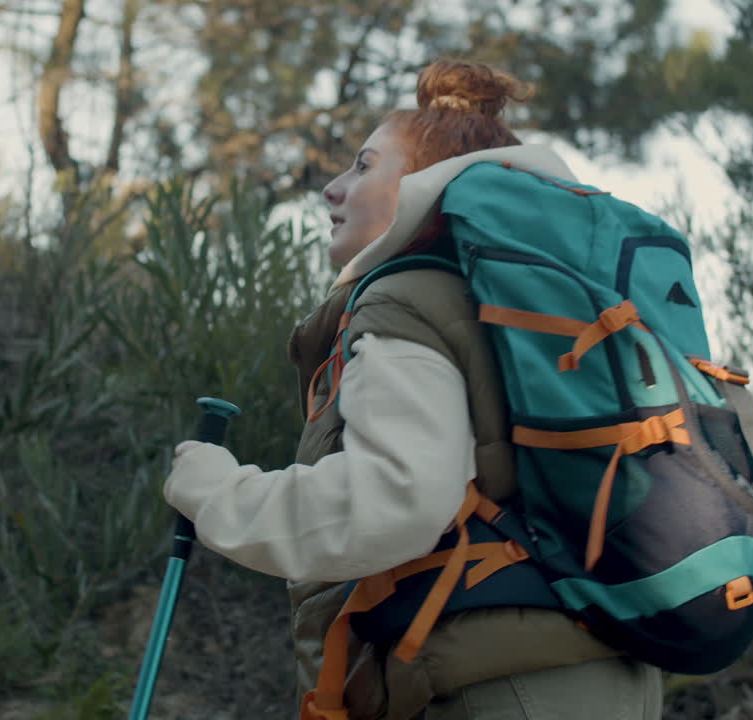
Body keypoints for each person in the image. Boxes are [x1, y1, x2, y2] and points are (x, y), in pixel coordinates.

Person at [164, 59, 664, 720]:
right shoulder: (522, 309)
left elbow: (394, 500)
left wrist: (216, 492)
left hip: (501, 691)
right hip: (600, 675)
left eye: (364, 166)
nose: (333, 189)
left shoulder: (408, 299)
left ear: (425, 184)